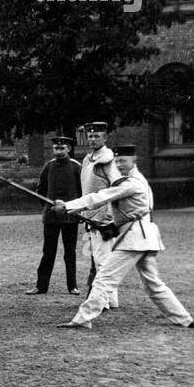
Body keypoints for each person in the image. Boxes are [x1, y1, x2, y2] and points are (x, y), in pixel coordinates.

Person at [53, 145, 194, 329]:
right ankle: (184, 319)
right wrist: (112, 225)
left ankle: (82, 318)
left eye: (123, 161)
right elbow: (134, 210)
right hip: (145, 237)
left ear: (134, 161)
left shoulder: (130, 183)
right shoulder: (140, 180)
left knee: (104, 278)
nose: (119, 165)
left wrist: (67, 206)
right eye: (117, 161)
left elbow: (100, 197)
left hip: (134, 239)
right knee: (153, 283)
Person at [25, 135, 83, 295]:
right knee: (48, 251)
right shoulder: (48, 167)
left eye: (62, 148)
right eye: (56, 148)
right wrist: (47, 207)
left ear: (69, 149)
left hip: (70, 217)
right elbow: (40, 190)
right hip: (51, 217)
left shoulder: (76, 167)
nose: (58, 151)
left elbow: (82, 191)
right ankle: (41, 286)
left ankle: (72, 286)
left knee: (70, 252)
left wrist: (77, 210)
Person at [79, 121, 119, 310]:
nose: (93, 139)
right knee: (97, 259)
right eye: (90, 136)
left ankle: (103, 301)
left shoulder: (109, 159)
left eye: (97, 136)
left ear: (105, 138)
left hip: (103, 218)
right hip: (90, 217)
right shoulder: (88, 159)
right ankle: (110, 299)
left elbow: (117, 189)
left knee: (104, 260)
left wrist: (109, 216)